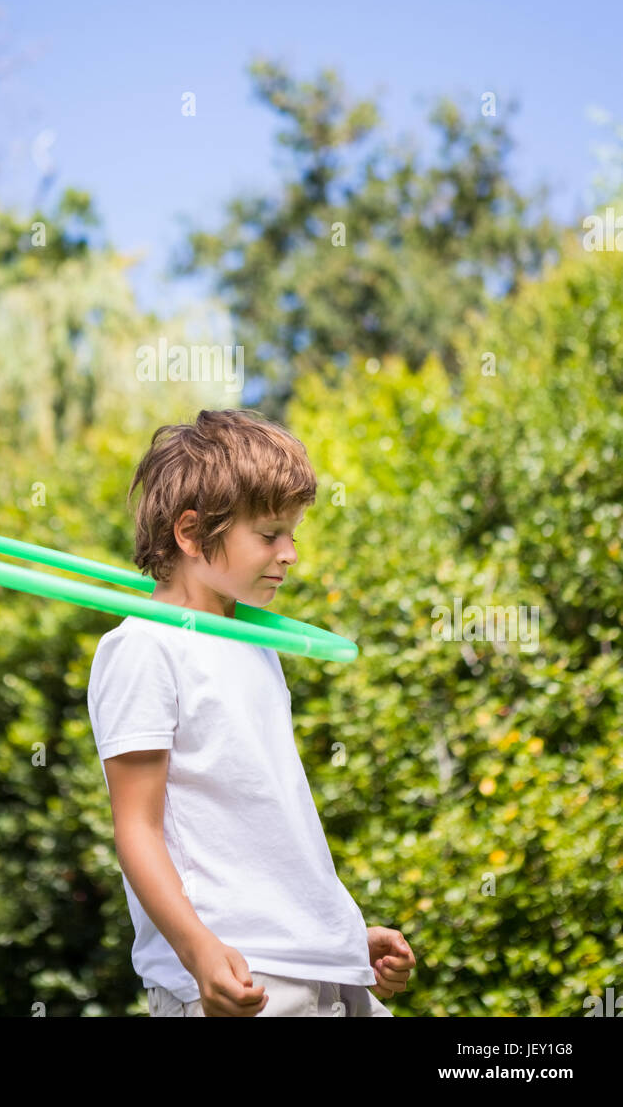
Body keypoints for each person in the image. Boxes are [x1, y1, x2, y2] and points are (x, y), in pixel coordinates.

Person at [86, 408, 416, 1017]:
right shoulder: (143, 649)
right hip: (238, 972)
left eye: (293, 534)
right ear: (191, 534)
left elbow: (264, 826)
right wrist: (199, 950)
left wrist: (338, 942)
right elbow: (137, 829)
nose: (290, 554)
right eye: (270, 535)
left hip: (315, 964)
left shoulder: (256, 643)